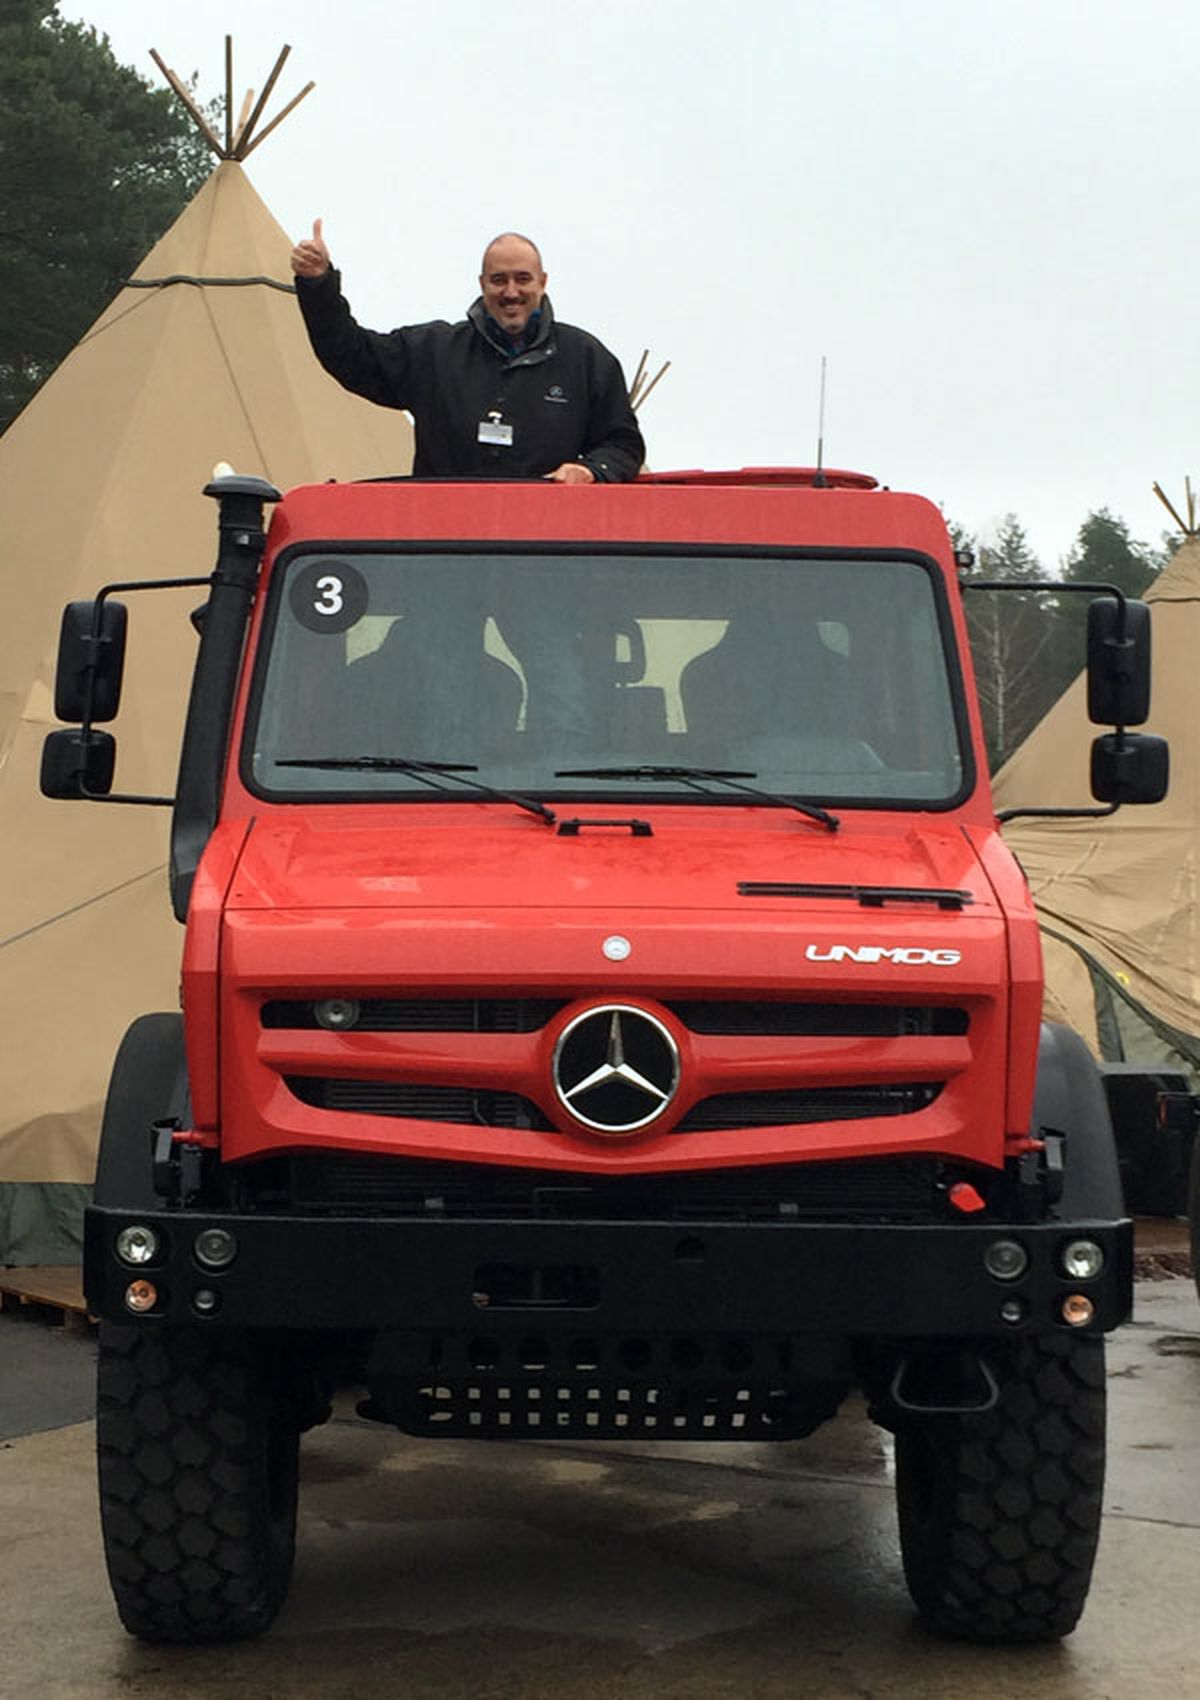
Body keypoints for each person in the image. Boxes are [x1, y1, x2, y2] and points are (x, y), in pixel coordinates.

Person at [290, 223, 645, 483]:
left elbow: (623, 444)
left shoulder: (585, 359)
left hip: (546, 551)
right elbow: (350, 355)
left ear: (543, 282)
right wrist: (318, 284)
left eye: (522, 279)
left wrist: (590, 471)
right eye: (498, 280)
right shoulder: (433, 352)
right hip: (447, 548)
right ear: (482, 284)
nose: (510, 292)